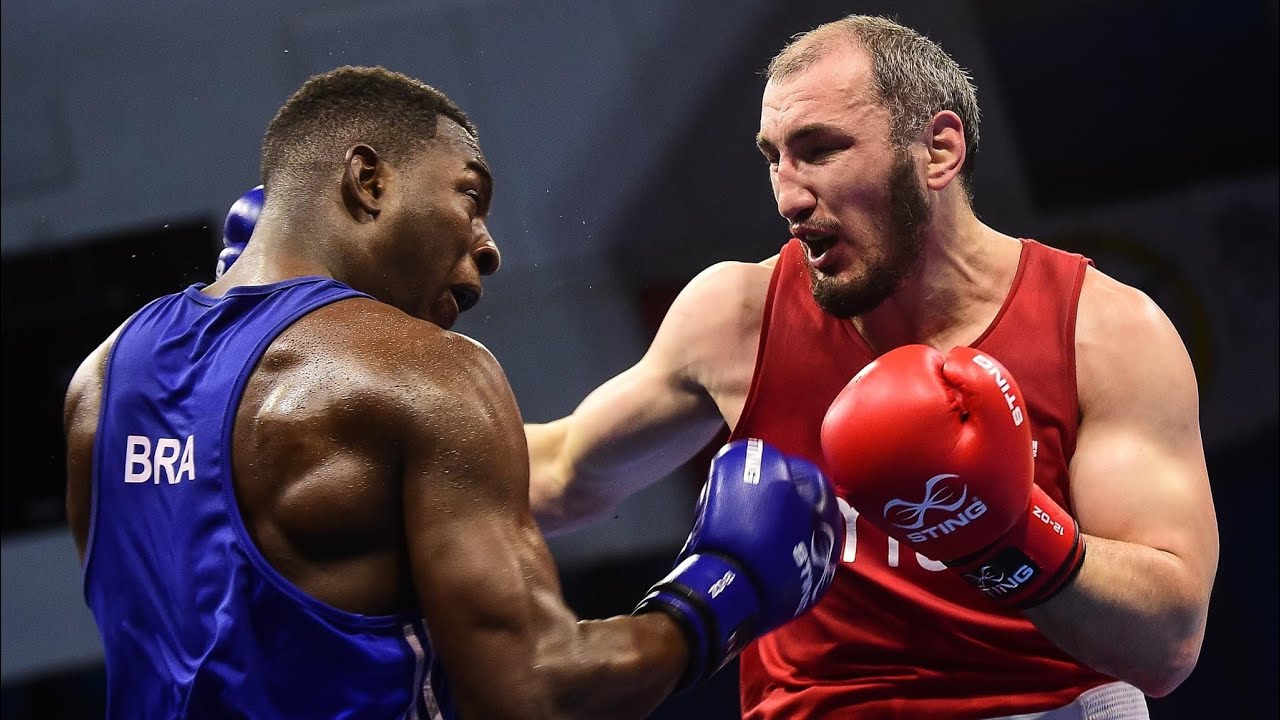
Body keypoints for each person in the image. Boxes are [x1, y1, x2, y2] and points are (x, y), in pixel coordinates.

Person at [63, 65, 843, 719]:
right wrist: (722, 592)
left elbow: (218, 608)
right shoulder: (427, 372)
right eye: (471, 196)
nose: (491, 247)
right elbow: (540, 692)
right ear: (368, 181)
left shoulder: (100, 381)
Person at [524, 15, 1219, 719]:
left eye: (819, 150)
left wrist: (1007, 533)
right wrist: (416, 413)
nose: (789, 196)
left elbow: (1167, 647)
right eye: (774, 158)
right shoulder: (738, 317)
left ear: (938, 150)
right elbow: (562, 473)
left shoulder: (1101, 332)